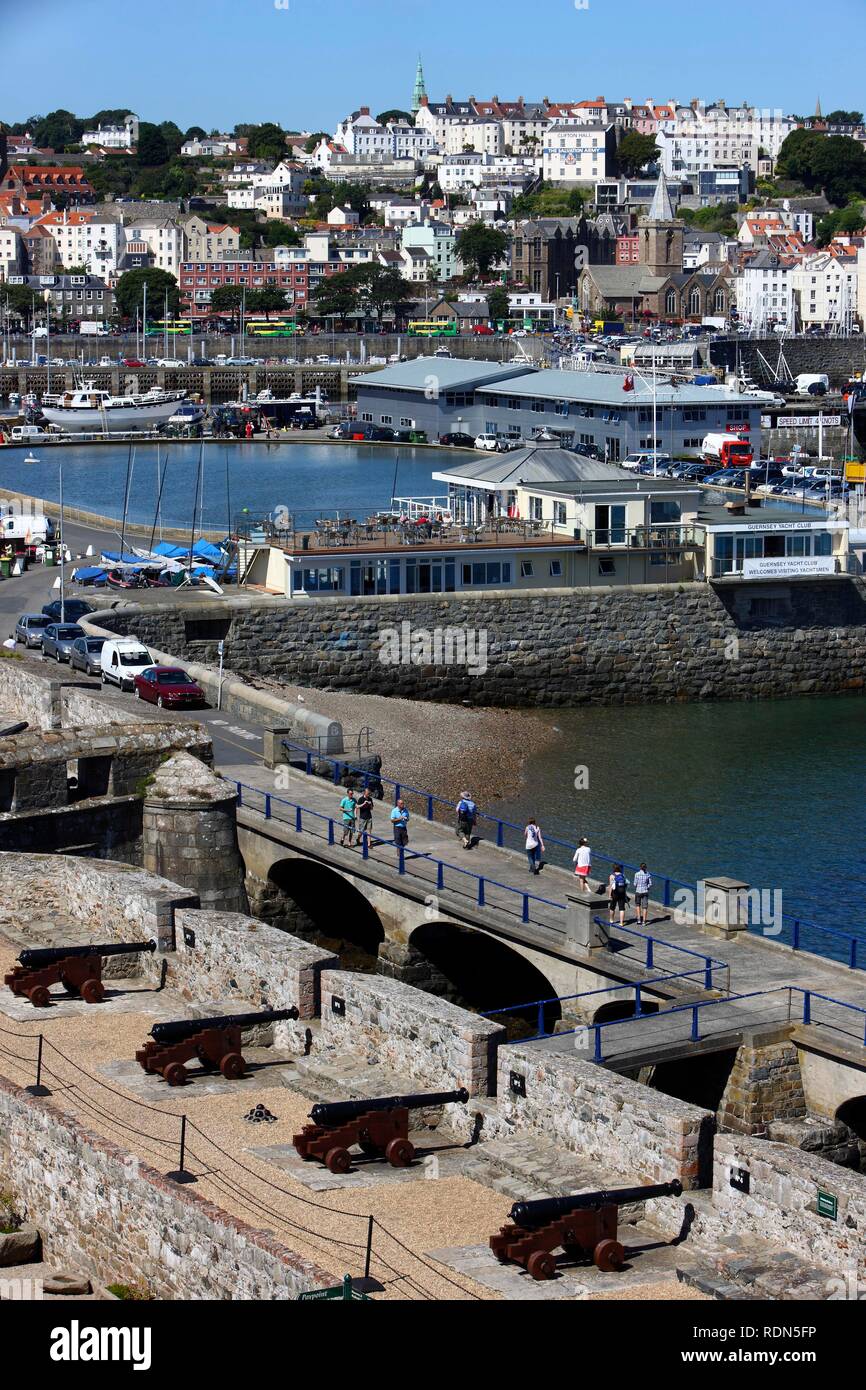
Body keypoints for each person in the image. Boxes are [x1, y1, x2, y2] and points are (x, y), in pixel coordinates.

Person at [607, 863, 629, 927]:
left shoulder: (611, 876)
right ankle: (621, 922)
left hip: (615, 893)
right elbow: (626, 884)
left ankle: (611, 920)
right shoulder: (623, 875)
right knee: (622, 908)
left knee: (612, 907)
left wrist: (609, 895)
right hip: (622, 893)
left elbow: (611, 886)